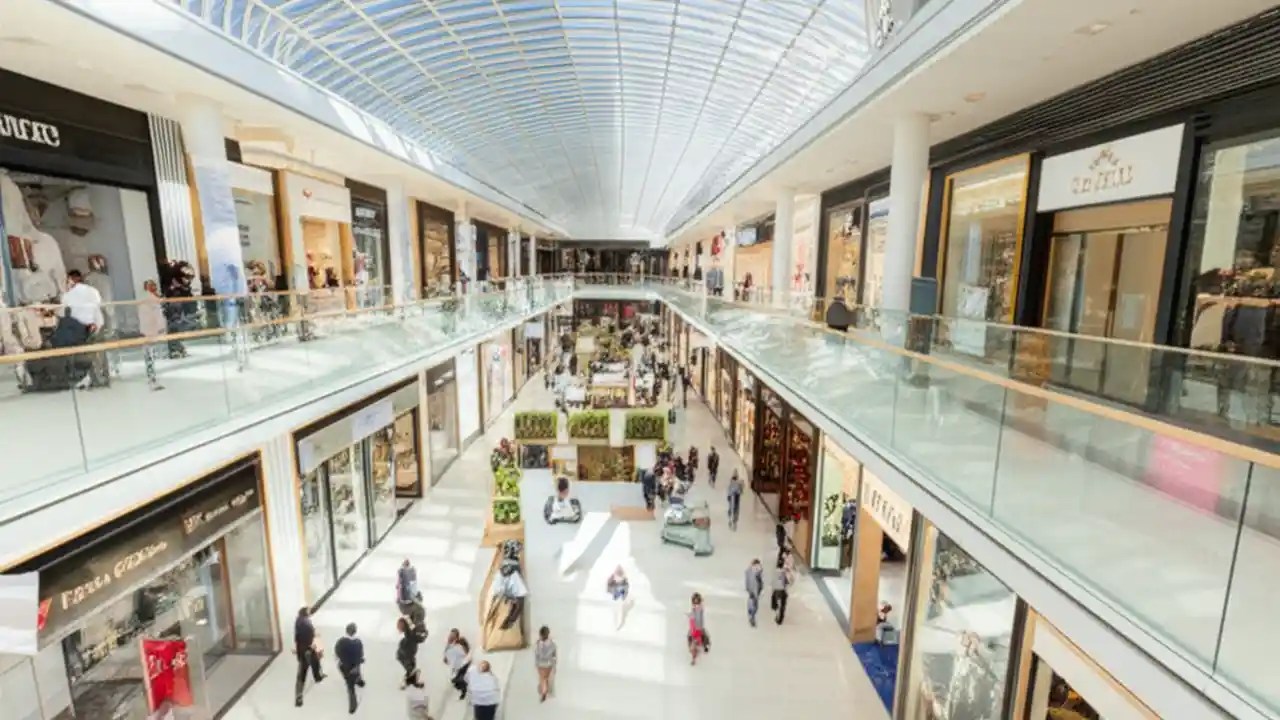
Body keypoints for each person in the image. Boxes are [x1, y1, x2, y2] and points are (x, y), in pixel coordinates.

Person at [293, 607, 326, 707]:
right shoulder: (306, 623)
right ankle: (318, 678)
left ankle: (299, 695)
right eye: (308, 611)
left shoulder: (299, 621)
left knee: (304, 671)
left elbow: (297, 638)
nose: (310, 612)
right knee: (313, 664)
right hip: (309, 650)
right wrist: (317, 646)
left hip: (302, 650)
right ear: (305, 613)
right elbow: (311, 637)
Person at [139, 280, 166, 391]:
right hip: (149, 331)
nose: (154, 287)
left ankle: (153, 377)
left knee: (151, 355)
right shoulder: (149, 298)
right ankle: (152, 379)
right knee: (150, 355)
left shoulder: (151, 298)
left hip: (151, 331)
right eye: (151, 285)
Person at [334, 622, 366, 714]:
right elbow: (361, 655)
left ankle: (353, 706)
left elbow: (337, 652)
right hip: (355, 667)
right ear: (355, 631)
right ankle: (358, 679)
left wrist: (341, 659)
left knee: (350, 686)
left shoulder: (341, 642)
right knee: (357, 667)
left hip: (346, 667)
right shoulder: (358, 642)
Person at [443, 630, 471, 702]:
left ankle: (466, 691)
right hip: (456, 666)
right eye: (450, 635)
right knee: (454, 681)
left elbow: (466, 652)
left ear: (456, 636)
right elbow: (446, 658)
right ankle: (465, 689)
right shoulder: (449, 645)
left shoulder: (460, 643)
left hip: (463, 664)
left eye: (453, 635)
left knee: (458, 678)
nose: (451, 637)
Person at [396, 617, 422, 690]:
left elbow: (415, 635)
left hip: (407, 653)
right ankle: (411, 680)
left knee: (411, 668)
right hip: (405, 654)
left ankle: (411, 680)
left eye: (400, 626)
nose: (398, 628)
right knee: (411, 668)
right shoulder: (409, 631)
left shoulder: (410, 631)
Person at [534, 625, 557, 702]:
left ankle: (544, 691)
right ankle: (545, 690)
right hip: (549, 664)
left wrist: (536, 663)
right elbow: (554, 655)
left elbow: (536, 654)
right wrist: (554, 665)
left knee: (542, 678)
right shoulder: (552, 644)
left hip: (540, 664)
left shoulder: (538, 643)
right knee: (546, 678)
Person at [687, 592, 709, 665]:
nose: (696, 605)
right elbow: (692, 618)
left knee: (704, 636)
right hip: (694, 629)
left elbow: (700, 618)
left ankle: (705, 645)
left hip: (698, 628)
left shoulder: (700, 609)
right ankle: (693, 651)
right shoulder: (693, 610)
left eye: (698, 603)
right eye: (694, 603)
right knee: (691, 638)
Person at [771, 557, 792, 626]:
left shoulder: (774, 572)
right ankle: (780, 619)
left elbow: (772, 581)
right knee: (783, 604)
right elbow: (787, 582)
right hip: (782, 590)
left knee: (775, 601)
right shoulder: (784, 572)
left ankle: (775, 608)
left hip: (776, 589)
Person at [745, 559, 764, 627]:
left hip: (750, 588)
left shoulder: (748, 570)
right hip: (755, 588)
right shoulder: (758, 569)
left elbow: (747, 579)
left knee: (751, 600)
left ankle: (751, 614)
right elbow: (760, 578)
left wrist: (747, 588)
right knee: (755, 604)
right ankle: (752, 616)